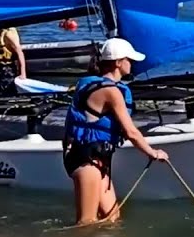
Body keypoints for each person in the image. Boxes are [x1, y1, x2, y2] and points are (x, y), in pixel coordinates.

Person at [63, 37, 168, 226]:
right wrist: (152, 153)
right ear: (119, 63)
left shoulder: (96, 85)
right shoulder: (111, 92)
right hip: (87, 161)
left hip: (98, 160)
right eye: (130, 60)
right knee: (86, 224)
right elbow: (131, 132)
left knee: (112, 220)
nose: (132, 64)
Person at [0, 27, 27, 97]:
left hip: (7, 69)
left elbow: (19, 53)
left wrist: (22, 73)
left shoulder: (9, 33)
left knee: (6, 92)